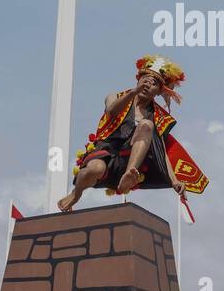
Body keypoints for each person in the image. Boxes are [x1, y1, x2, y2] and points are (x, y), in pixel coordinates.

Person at [59, 55, 208, 211]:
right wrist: (133, 93)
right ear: (138, 80)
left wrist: (174, 180)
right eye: (146, 80)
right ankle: (76, 194)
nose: (149, 84)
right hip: (107, 151)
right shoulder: (115, 97)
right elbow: (111, 111)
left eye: (155, 83)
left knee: (146, 124)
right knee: (94, 168)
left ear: (158, 92)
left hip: (130, 159)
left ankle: (129, 174)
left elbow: (161, 151)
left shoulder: (158, 117)